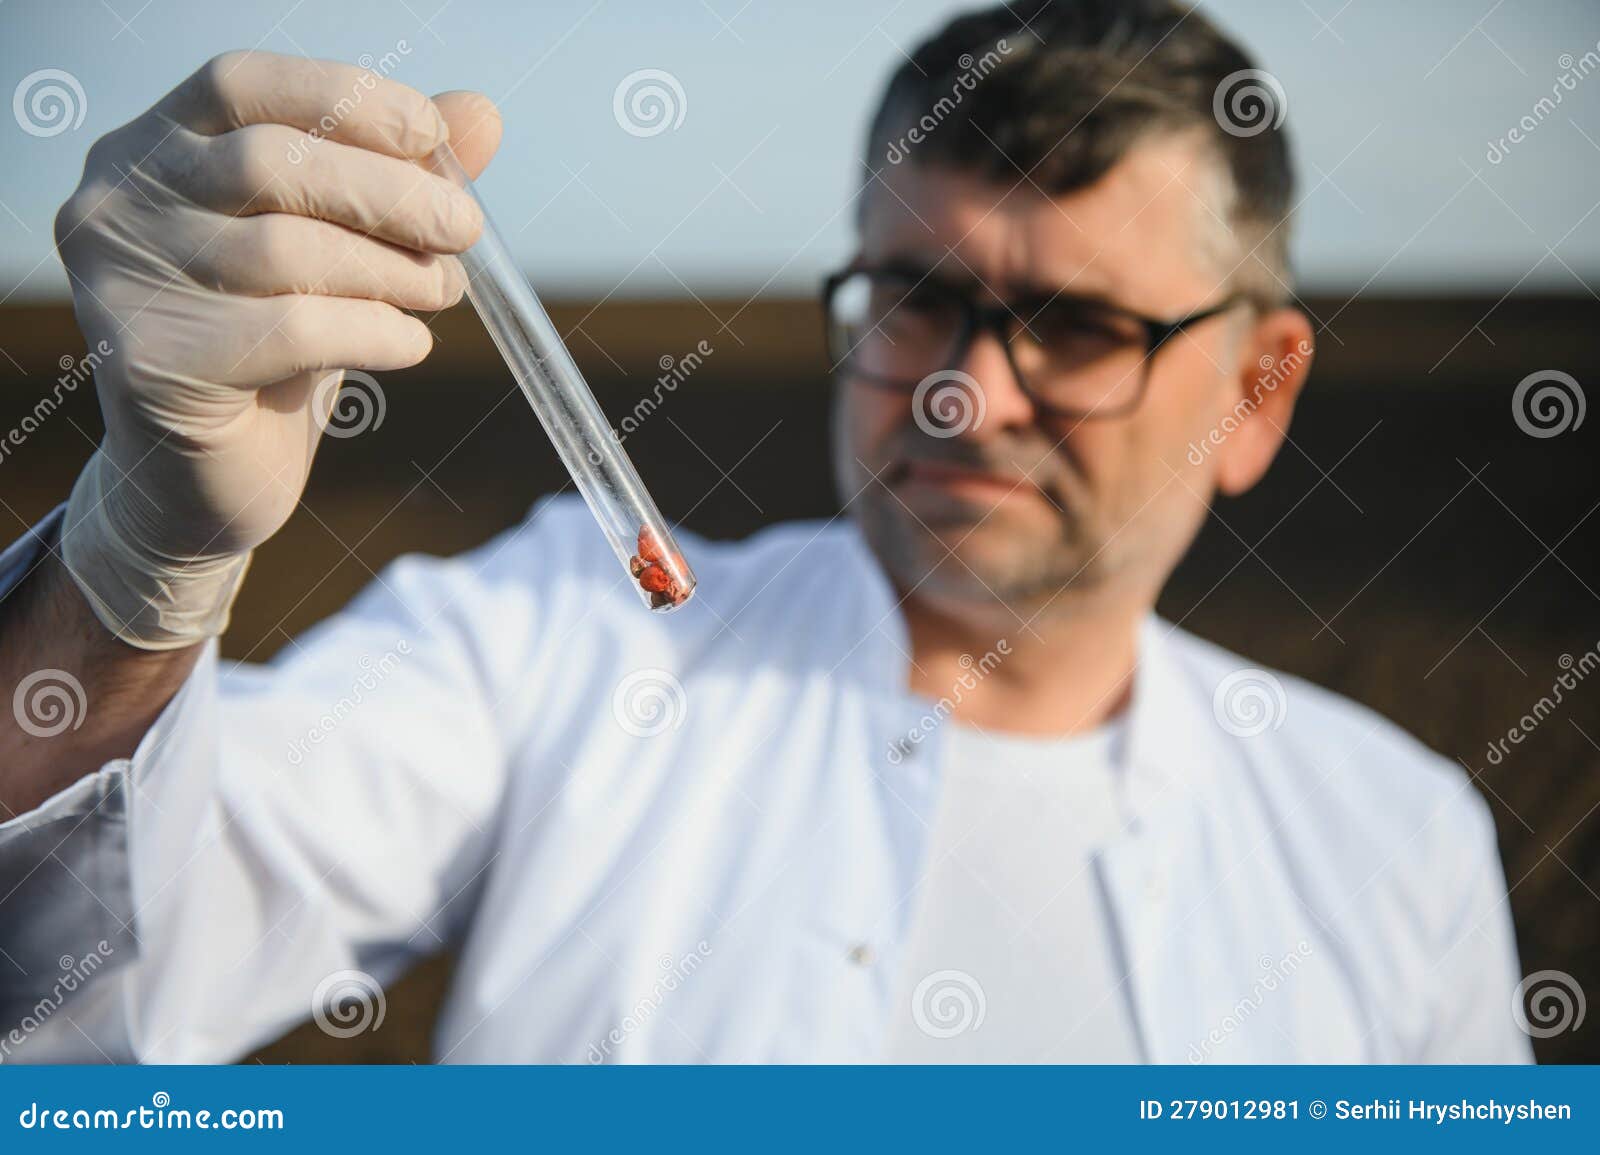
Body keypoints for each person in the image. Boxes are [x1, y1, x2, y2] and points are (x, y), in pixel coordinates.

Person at [0, 0, 1528, 1064]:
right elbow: (66, 1007)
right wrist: (134, 577)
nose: (962, 396)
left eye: (1074, 326)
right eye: (919, 299)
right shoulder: (557, 643)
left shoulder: (1395, 847)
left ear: (1257, 392)